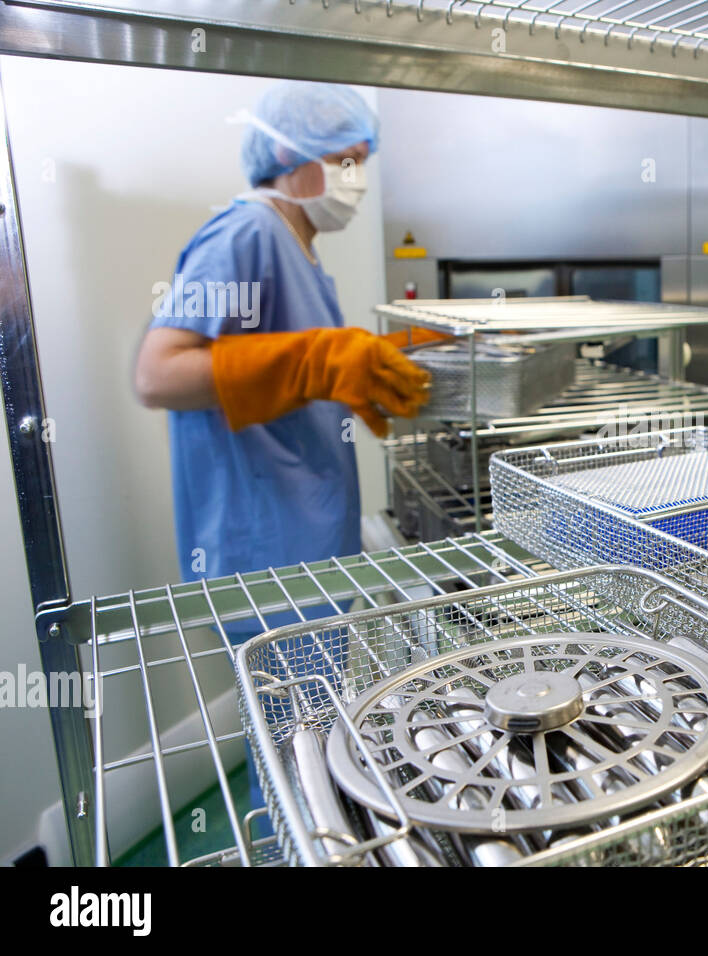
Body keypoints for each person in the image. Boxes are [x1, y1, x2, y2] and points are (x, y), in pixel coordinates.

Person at [133, 82, 437, 832]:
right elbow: (160, 373)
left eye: (363, 159)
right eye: (344, 158)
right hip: (263, 546)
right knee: (294, 759)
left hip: (302, 543)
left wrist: (363, 361)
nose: (356, 177)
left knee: (304, 737)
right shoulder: (250, 232)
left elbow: (289, 371)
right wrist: (319, 359)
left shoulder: (299, 249)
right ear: (286, 156)